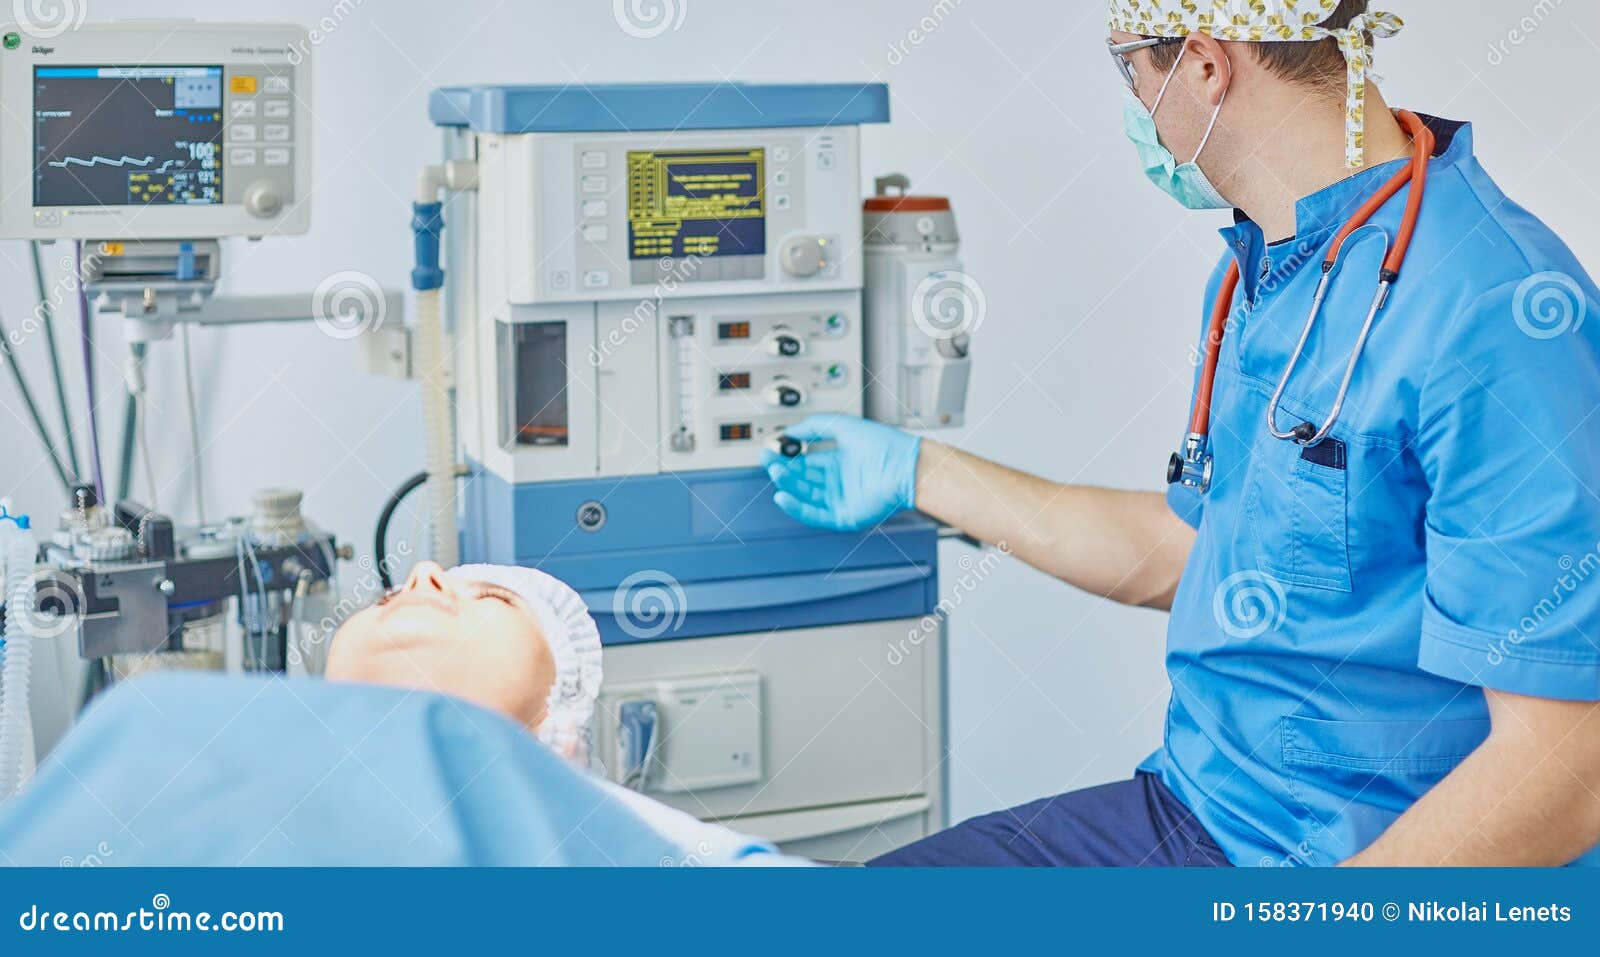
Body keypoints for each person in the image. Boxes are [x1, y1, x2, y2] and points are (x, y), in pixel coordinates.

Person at [766, 0, 1600, 867]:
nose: (1133, 107)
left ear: (1205, 65)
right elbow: (1200, 550)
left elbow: (1567, 763)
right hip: (1201, 812)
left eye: (1129, 68)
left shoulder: (1494, 315)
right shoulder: (1266, 270)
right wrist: (920, 471)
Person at [0, 561, 798, 866]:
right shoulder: (178, 723)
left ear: (561, 710)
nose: (421, 573)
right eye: (390, 593)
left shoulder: (604, 830)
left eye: (487, 595)